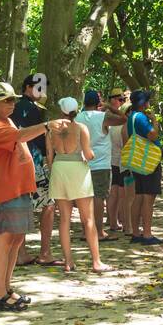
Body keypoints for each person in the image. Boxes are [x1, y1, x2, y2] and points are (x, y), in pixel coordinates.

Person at [0, 81, 64, 310]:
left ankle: (6, 289)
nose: (12, 103)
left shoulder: (5, 120)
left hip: (19, 190)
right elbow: (20, 135)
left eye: (13, 99)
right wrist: (46, 125)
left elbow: (20, 138)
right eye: (7, 100)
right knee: (4, 241)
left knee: (16, 241)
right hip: (8, 191)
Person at [46, 97, 112, 273]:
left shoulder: (51, 129)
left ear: (62, 111)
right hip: (78, 169)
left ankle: (68, 262)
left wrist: (57, 168)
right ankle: (96, 261)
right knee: (88, 219)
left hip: (59, 168)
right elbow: (88, 153)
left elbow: (49, 157)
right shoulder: (81, 128)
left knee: (64, 219)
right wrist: (90, 157)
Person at [12, 74, 59, 267]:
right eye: (40, 88)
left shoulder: (13, 107)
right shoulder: (32, 109)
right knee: (48, 205)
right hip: (35, 163)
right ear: (28, 87)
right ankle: (45, 252)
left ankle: (21, 252)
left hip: (15, 163)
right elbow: (39, 140)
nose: (43, 92)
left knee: (22, 206)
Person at [77, 90, 121, 242]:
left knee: (84, 197)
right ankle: (99, 231)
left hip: (82, 162)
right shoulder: (103, 117)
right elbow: (124, 118)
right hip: (101, 163)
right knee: (99, 197)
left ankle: (85, 231)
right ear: (98, 103)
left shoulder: (78, 117)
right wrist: (110, 106)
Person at [126, 91, 163, 244]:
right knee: (148, 197)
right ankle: (147, 234)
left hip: (137, 161)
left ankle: (136, 233)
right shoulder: (141, 117)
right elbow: (152, 135)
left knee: (139, 195)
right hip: (148, 162)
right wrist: (154, 120)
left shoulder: (131, 118)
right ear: (143, 103)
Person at [104, 87, 130, 236]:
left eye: (123, 100)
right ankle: (120, 221)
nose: (122, 102)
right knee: (120, 191)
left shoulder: (109, 118)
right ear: (113, 99)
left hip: (112, 159)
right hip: (118, 159)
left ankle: (113, 220)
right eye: (120, 99)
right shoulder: (115, 120)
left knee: (114, 190)